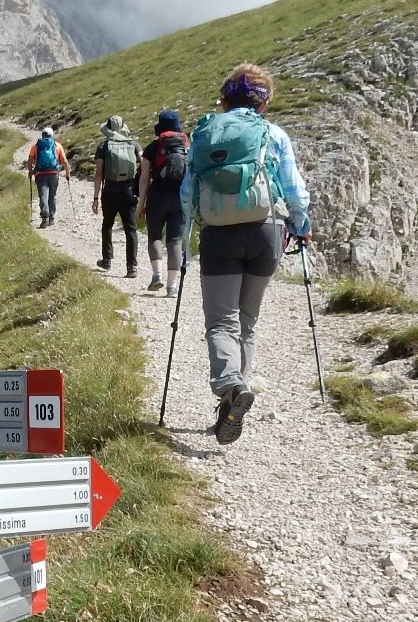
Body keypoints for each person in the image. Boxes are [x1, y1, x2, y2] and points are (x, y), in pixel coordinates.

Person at [182, 64, 312, 446]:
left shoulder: (205, 133)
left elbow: (188, 193)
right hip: (266, 231)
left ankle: (229, 386)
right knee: (247, 321)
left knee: (221, 321)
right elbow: (295, 191)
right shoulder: (273, 134)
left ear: (224, 98)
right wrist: (301, 226)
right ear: (264, 101)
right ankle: (234, 398)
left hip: (219, 235)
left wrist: (190, 225)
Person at [136, 110, 189, 295]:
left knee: (155, 236)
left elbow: (144, 178)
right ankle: (172, 286)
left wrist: (141, 204)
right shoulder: (186, 146)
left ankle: (157, 275)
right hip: (180, 198)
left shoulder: (153, 147)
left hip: (157, 196)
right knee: (175, 241)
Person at [91, 115, 141, 277]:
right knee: (130, 229)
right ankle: (131, 267)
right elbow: (144, 165)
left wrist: (96, 198)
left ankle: (107, 260)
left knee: (107, 225)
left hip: (110, 191)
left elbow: (99, 173)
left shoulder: (103, 146)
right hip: (129, 191)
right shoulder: (133, 143)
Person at [25, 127, 70, 229]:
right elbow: (64, 160)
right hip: (54, 173)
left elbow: (30, 160)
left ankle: (45, 215)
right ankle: (51, 218)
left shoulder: (36, 146)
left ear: (42, 135)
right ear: (52, 135)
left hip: (40, 174)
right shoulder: (57, 145)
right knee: (52, 195)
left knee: (43, 194)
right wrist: (67, 173)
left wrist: (31, 171)